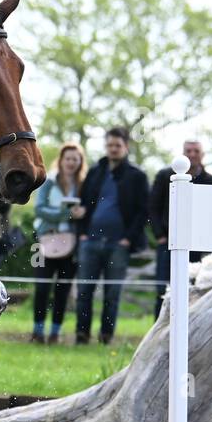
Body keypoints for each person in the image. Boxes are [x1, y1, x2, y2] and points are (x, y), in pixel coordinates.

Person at [75, 127, 149, 345]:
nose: (113, 149)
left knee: (112, 293)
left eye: (117, 145)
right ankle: (81, 335)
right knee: (84, 290)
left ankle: (106, 336)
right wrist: (82, 233)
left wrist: (128, 238)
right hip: (90, 241)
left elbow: (143, 212)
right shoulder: (95, 172)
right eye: (109, 145)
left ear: (126, 147)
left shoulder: (137, 176)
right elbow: (83, 203)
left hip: (118, 243)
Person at [149, 139, 212, 318]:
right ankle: (159, 330)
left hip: (195, 244)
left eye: (196, 151)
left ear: (202, 155)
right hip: (168, 241)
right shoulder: (165, 176)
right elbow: (152, 207)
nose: (192, 154)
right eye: (188, 151)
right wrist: (159, 235)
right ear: (182, 153)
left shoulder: (211, 181)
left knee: (193, 287)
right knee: (164, 287)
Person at [31, 142, 86, 343]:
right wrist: (67, 214)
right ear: (61, 160)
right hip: (41, 241)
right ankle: (37, 331)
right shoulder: (48, 182)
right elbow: (39, 209)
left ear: (80, 162)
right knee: (42, 287)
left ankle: (55, 332)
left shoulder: (83, 185)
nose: (71, 162)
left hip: (71, 244)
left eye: (75, 159)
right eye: (68, 158)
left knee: (63, 289)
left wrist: (80, 214)